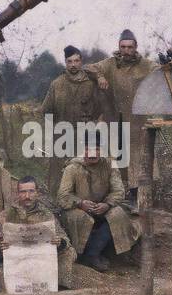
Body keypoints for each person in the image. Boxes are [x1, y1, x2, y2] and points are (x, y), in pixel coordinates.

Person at [90, 30, 154, 207]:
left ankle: (135, 194)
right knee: (115, 156)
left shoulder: (145, 65)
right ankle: (115, 193)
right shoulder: (111, 63)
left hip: (137, 119)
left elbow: (160, 71)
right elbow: (91, 67)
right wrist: (100, 76)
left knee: (136, 157)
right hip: (114, 119)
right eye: (123, 47)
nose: (126, 51)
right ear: (119, 47)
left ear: (136, 47)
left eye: (130, 47)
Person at [57, 140, 140, 272]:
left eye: (96, 149)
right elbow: (63, 196)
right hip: (79, 209)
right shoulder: (72, 168)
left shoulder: (110, 165)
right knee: (80, 218)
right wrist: (80, 203)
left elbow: (118, 191)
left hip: (103, 207)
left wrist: (107, 204)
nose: (92, 153)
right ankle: (84, 255)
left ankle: (92, 254)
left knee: (117, 215)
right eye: (88, 149)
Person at [40, 45, 106, 195]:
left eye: (76, 61)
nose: (73, 65)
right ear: (65, 62)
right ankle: (57, 202)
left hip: (85, 135)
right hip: (62, 134)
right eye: (70, 61)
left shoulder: (90, 84)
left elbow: (100, 109)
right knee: (58, 172)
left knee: (84, 170)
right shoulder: (57, 84)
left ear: (81, 61)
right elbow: (45, 111)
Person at [0, 174, 75, 290]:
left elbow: (64, 238)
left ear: (37, 193)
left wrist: (60, 241)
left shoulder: (47, 214)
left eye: (31, 191)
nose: (27, 196)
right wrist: (2, 246)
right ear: (17, 193)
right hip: (18, 260)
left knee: (69, 252)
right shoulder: (6, 215)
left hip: (41, 258)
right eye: (23, 192)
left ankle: (60, 288)